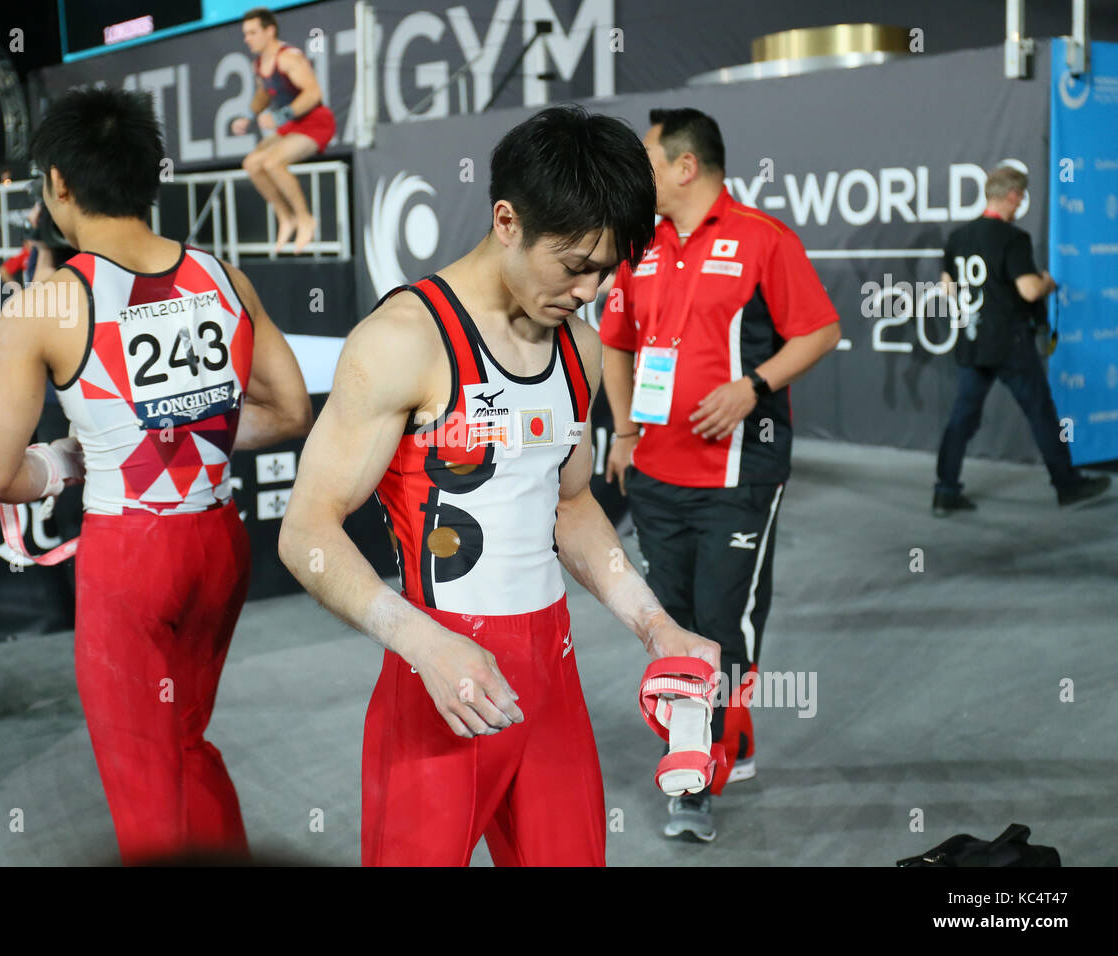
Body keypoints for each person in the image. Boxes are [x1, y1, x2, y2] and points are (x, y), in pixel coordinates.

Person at [278, 105, 721, 867]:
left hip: (551, 671)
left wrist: (655, 625)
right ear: (507, 220)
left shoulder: (578, 350)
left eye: (607, 268)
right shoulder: (400, 342)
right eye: (574, 264)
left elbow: (571, 505)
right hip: (439, 673)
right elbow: (306, 531)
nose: (590, 289)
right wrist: (422, 643)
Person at [0, 87, 314, 865]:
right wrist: (188, 437)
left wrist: (70, 462)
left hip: (132, 558)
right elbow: (291, 411)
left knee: (143, 773)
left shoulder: (45, 305)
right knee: (187, 740)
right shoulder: (222, 275)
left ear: (57, 184)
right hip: (219, 547)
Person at [601, 108, 841, 843]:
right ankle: (722, 737)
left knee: (723, 620)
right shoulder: (635, 248)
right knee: (672, 621)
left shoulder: (765, 240)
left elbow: (821, 330)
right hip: (655, 474)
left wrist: (753, 388)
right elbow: (617, 343)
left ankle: (693, 773)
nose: (634, 175)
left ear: (685, 166)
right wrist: (625, 428)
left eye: (645, 160)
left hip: (740, 474)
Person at [933, 164, 1110, 514]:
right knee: (1042, 415)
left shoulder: (958, 237)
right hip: (1010, 344)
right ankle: (1068, 486)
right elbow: (1029, 290)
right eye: (1020, 197)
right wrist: (1048, 281)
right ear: (1013, 196)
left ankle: (945, 492)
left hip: (973, 341)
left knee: (961, 419)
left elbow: (946, 288)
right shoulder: (1013, 239)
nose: (1020, 204)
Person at [230, 7, 336, 255]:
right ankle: (286, 218)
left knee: (272, 162)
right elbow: (264, 94)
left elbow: (313, 93)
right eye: (245, 34)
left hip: (317, 122)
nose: (247, 39)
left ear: (270, 31)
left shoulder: (288, 58)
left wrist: (280, 116)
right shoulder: (258, 63)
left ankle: (305, 218)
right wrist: (248, 116)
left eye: (253, 33)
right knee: (251, 164)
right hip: (293, 125)